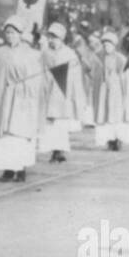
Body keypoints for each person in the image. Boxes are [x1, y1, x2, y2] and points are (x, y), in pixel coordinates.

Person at [0, 16, 43, 181]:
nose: (10, 36)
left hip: (22, 101)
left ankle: (21, 167)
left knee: (19, 135)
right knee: (5, 136)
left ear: (20, 34)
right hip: (2, 99)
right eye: (7, 33)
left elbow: (36, 79)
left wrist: (24, 88)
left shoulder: (30, 54)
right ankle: (8, 168)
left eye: (13, 33)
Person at [38, 21, 81, 163]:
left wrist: (74, 94)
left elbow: (75, 76)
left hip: (63, 92)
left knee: (61, 124)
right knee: (50, 123)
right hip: (48, 91)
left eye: (55, 37)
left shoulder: (69, 53)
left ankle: (60, 150)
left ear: (61, 38)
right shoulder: (44, 53)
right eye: (50, 37)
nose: (52, 40)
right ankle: (53, 150)